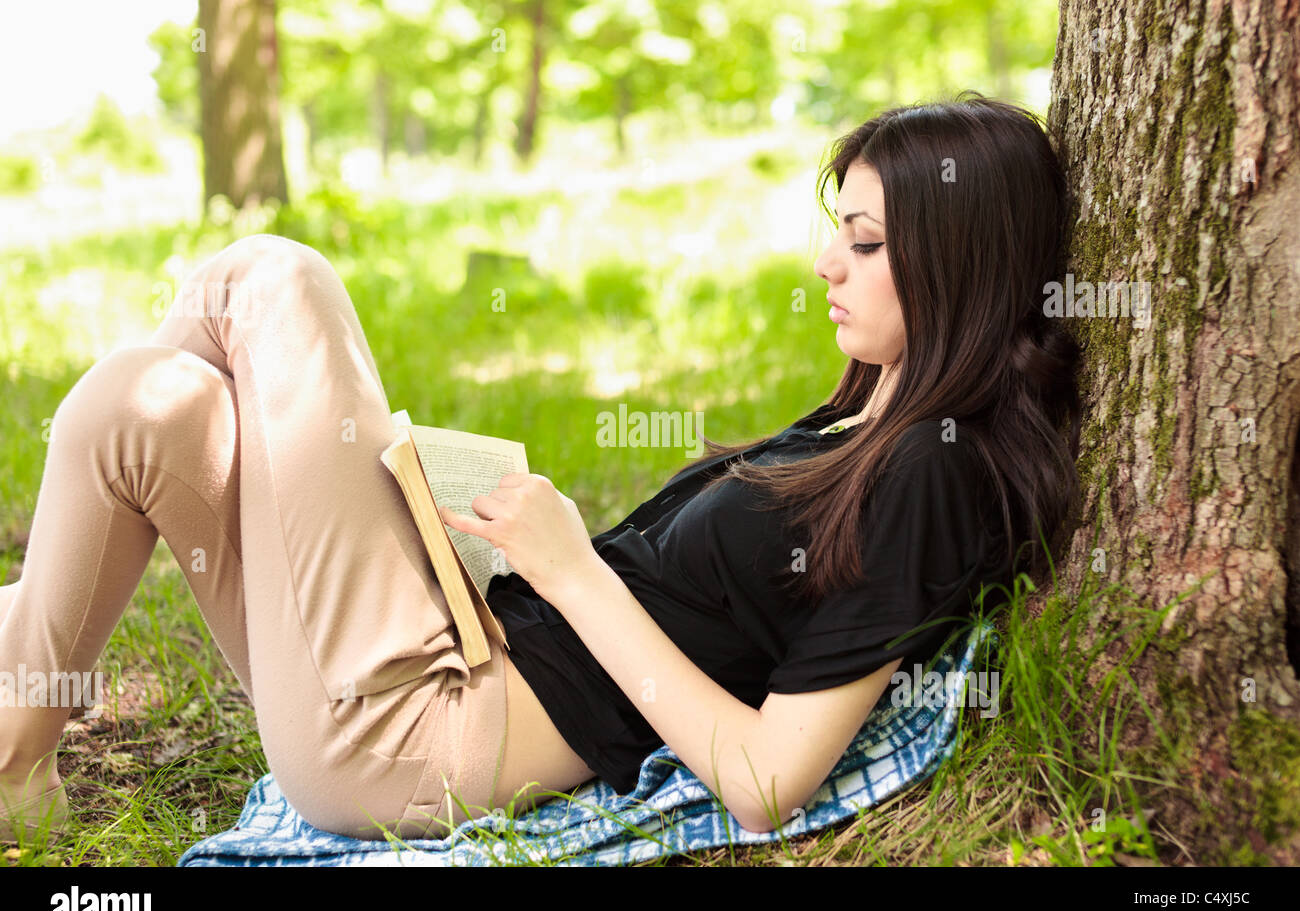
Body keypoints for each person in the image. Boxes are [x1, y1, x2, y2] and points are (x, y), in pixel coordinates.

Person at [0, 91, 1081, 844]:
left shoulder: (937, 476)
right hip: (455, 640)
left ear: (959, 259)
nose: (824, 263)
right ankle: (20, 762)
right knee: (145, 403)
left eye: (864, 241)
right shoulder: (856, 427)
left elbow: (766, 781)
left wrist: (572, 569)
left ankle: (14, 646)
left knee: (272, 279)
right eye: (835, 231)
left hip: (416, 739)